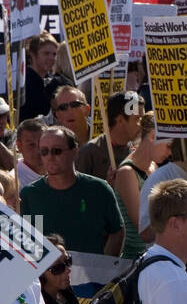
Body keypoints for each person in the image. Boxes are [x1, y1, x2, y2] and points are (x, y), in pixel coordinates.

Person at [19, 126, 124, 256]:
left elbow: (117, 231)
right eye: (44, 151)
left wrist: (104, 267)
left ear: (74, 151)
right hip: (53, 274)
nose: (50, 157)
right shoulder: (30, 195)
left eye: (57, 151)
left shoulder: (99, 189)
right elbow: (31, 243)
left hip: (92, 274)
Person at [113, 112, 172, 259]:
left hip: (150, 252)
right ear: (152, 136)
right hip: (132, 257)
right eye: (168, 145)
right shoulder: (127, 172)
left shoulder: (154, 166)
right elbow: (141, 224)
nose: (170, 152)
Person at [75, 90, 144, 182]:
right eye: (137, 118)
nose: (142, 124)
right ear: (120, 120)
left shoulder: (136, 152)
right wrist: (107, 187)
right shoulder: (90, 152)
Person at [20, 32, 60, 121]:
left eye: (54, 54)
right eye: (46, 53)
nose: (51, 58)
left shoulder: (52, 82)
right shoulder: (24, 81)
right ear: (32, 54)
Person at [11, 118, 45, 190]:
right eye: (31, 145)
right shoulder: (14, 183)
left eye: (42, 143)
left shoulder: (59, 172)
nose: (38, 150)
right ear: (19, 146)